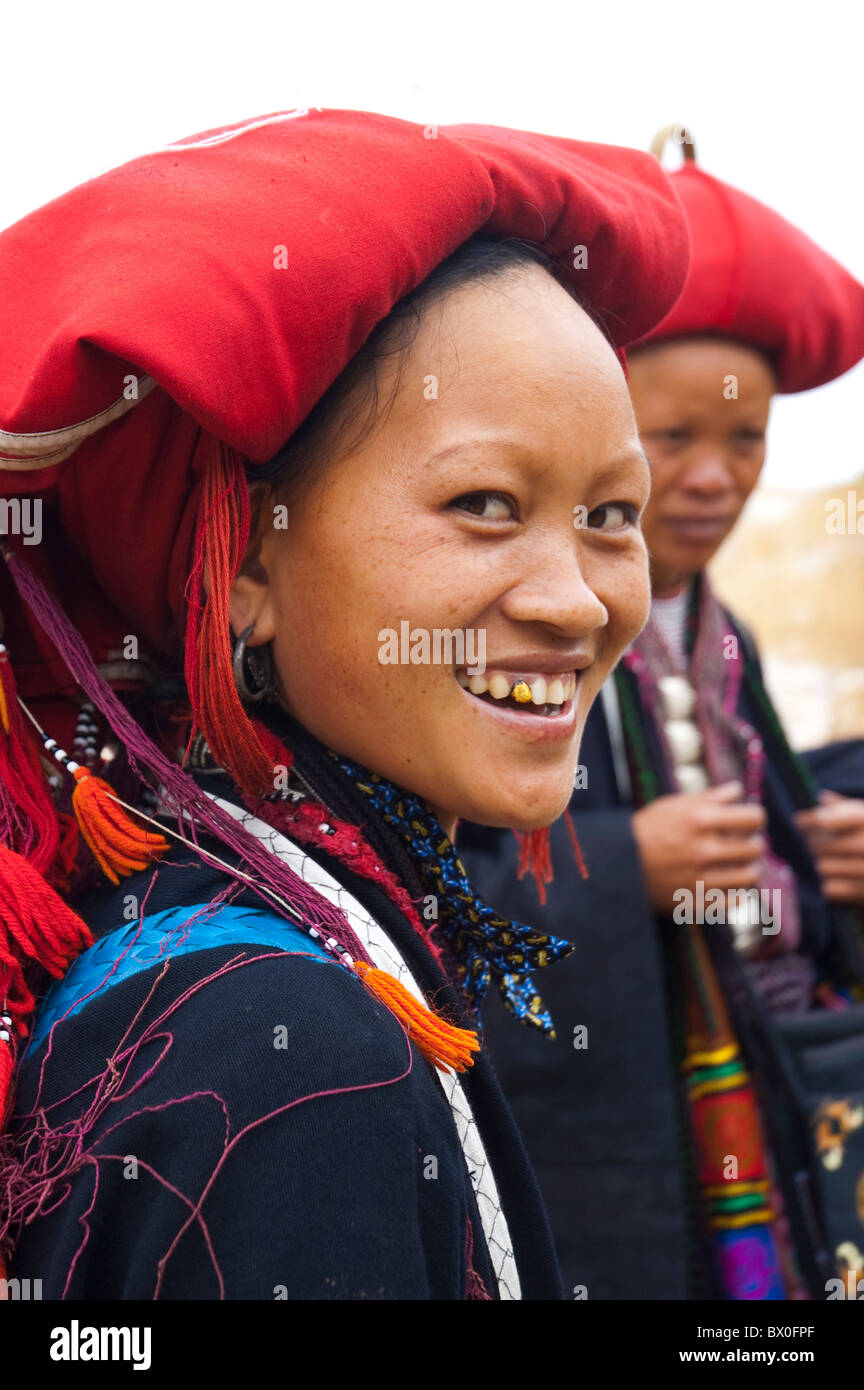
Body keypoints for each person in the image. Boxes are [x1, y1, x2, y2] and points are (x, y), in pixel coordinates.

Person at [0, 108, 689, 1299]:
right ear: (248, 563)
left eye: (611, 516)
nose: (579, 602)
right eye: (484, 502)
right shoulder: (281, 1061)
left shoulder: (257, 962)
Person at [462, 130, 864, 1301]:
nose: (712, 477)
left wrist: (826, 863)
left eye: (746, 438)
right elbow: (428, 897)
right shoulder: (517, 636)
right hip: (615, 1161)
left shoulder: (723, 644)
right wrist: (622, 866)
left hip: (767, 1126)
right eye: (670, 438)